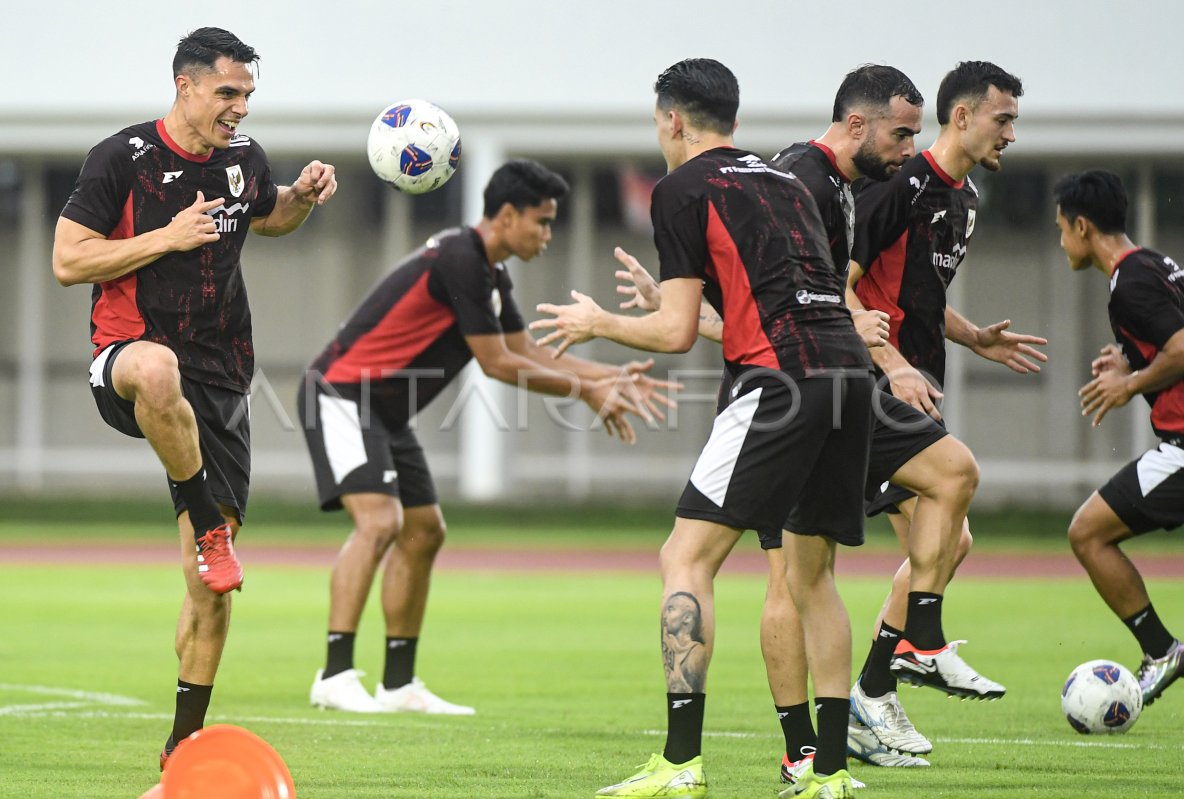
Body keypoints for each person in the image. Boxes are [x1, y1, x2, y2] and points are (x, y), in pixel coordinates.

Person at [533, 58, 872, 799]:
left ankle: (681, 761)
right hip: (849, 375)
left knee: (684, 558)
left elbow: (678, 333)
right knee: (813, 579)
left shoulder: (680, 188)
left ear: (672, 120)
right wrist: (669, 300)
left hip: (779, 383)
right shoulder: (785, 178)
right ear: (735, 120)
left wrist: (600, 322)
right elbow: (781, 295)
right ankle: (832, 773)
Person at [51, 27, 337, 771]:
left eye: (247, 95)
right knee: (154, 369)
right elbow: (67, 259)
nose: (239, 109)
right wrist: (167, 237)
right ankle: (207, 522)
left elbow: (264, 217)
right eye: (227, 93)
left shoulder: (244, 161)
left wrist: (301, 199)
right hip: (129, 355)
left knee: (210, 592)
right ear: (184, 86)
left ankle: (179, 757)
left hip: (220, 378)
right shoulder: (123, 159)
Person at [300, 159, 674, 716]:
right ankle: (334, 674)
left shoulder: (489, 272)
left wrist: (610, 377)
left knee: (424, 531)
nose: (547, 234)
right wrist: (585, 391)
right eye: (541, 222)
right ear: (504, 216)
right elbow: (497, 363)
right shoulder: (460, 257)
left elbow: (526, 351)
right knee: (381, 523)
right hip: (341, 395)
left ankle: (398, 685)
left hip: (383, 412)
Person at [845, 61, 1044, 717]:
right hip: (871, 384)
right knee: (951, 510)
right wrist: (890, 361)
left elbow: (917, 297)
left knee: (950, 542)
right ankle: (910, 653)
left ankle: (876, 691)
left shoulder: (965, 201)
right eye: (1003, 118)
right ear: (961, 116)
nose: (1011, 134)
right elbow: (840, 284)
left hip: (916, 386)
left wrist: (972, 336)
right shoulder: (900, 183)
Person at [1053, 169, 1184, 706]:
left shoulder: (1129, 282)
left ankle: (1160, 651)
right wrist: (1130, 356)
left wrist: (1130, 383)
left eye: (1060, 228)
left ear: (1082, 226)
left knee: (1087, 533)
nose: (1059, 240)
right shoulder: (1153, 263)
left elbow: (1181, 347)